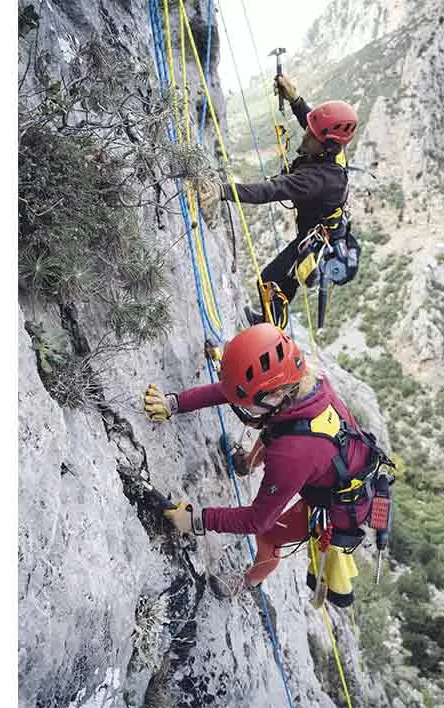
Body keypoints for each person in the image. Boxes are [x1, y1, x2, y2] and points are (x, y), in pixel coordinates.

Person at [142, 324, 387, 605]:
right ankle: (246, 463)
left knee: (270, 536)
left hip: (338, 505)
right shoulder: (301, 382)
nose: (241, 407)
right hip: (330, 458)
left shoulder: (291, 452)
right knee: (271, 427)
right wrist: (174, 403)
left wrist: (196, 520)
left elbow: (259, 520)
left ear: (274, 395)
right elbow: (242, 392)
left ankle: (250, 581)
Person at [196, 74, 359, 325]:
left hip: (313, 240)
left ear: (327, 146)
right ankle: (273, 320)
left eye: (312, 136)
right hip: (318, 232)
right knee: (287, 280)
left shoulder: (318, 180)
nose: (306, 136)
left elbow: (269, 191)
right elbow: (311, 122)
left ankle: (271, 330)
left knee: (269, 280)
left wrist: (222, 191)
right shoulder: (332, 150)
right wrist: (294, 97)